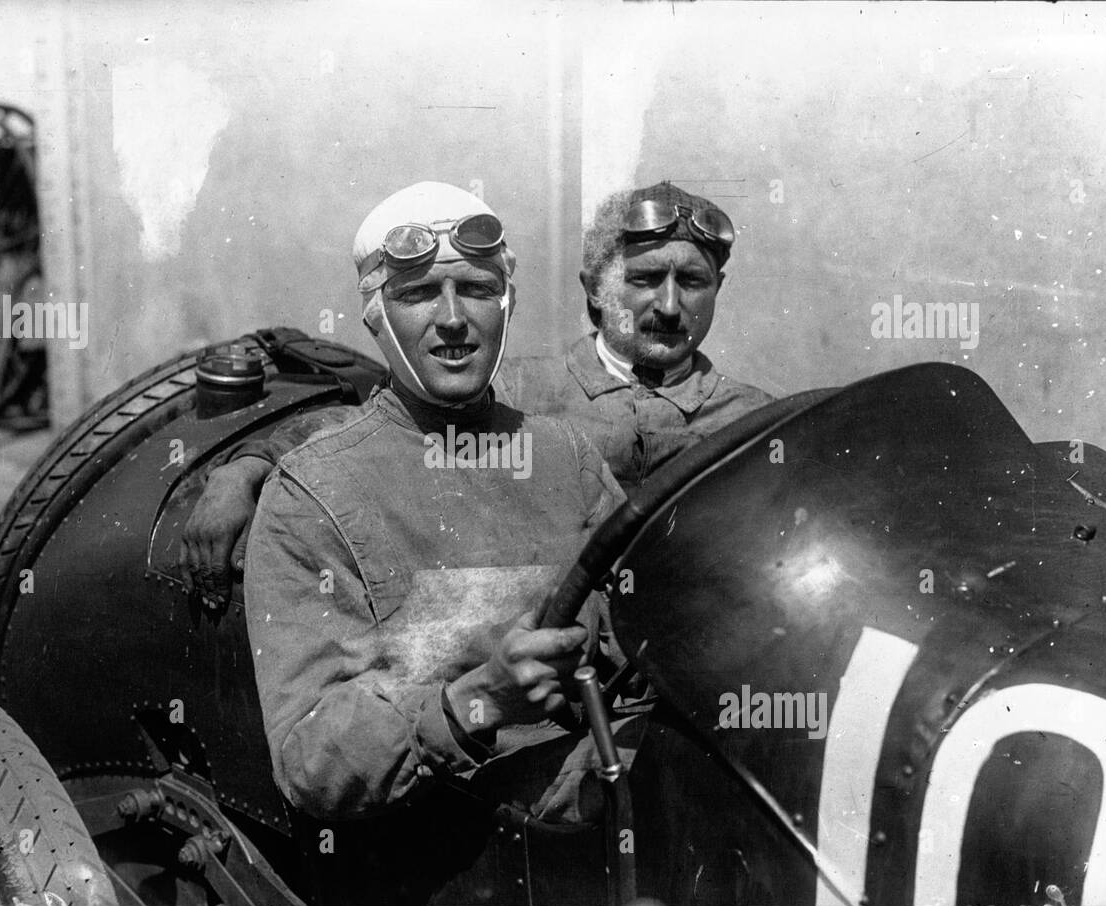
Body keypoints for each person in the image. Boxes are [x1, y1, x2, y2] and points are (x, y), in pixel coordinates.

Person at [246, 181, 632, 905]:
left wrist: (610, 738)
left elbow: (647, 652)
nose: (454, 320)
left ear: (505, 303)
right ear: (377, 313)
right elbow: (311, 759)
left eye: (478, 290)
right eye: (422, 292)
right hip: (426, 869)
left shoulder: (566, 457)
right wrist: (476, 703)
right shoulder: (312, 494)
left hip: (585, 840)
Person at [181, 181, 772, 605]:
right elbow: (364, 427)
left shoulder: (758, 422)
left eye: (692, 282)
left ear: (717, 288)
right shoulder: (512, 390)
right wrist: (243, 470)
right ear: (595, 290)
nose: (669, 307)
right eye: (643, 280)